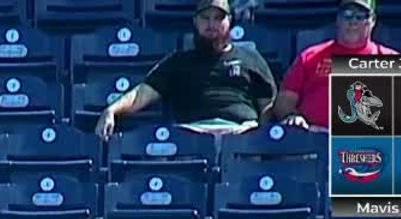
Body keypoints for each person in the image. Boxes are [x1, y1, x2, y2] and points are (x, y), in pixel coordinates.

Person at [94, 0, 277, 141]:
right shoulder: (179, 61)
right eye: (205, 18)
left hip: (240, 133)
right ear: (195, 21)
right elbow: (142, 94)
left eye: (218, 18)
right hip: (192, 135)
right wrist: (111, 110)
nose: (211, 24)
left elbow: (268, 108)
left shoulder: (251, 58)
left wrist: (257, 141)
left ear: (229, 22)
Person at [267, 0, 399, 129]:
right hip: (315, 139)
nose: (353, 22)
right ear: (338, 20)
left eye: (360, 17)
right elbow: (284, 101)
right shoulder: (310, 56)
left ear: (373, 21)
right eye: (347, 15)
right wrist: (293, 117)